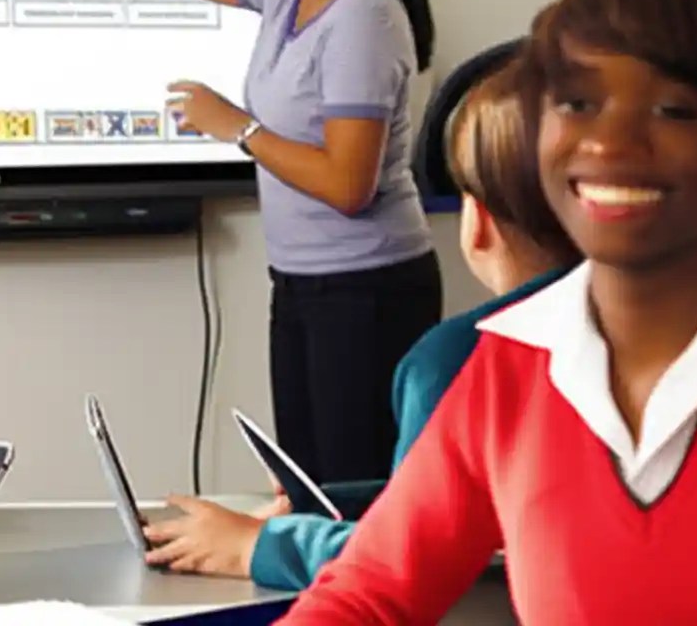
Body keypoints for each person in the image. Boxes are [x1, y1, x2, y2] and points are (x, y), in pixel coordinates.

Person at [277, 0, 697, 624]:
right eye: (578, 102)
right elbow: (368, 593)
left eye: (673, 109)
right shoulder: (511, 368)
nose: (608, 143)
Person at [0, 0, 442, 483]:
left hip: (369, 291)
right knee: (312, 491)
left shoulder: (365, 16)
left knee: (355, 497)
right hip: (303, 284)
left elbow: (347, 186)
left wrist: (238, 127)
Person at [138, 53, 581, 585]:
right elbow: (480, 505)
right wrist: (326, 504)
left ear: (479, 222)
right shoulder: (666, 329)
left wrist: (255, 546)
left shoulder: (459, 360)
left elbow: (416, 558)